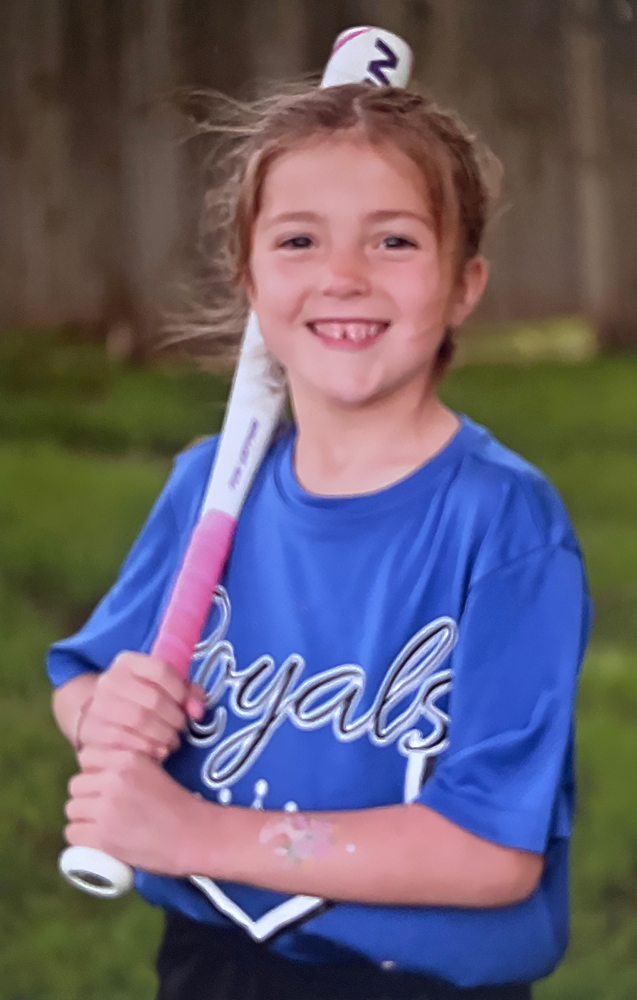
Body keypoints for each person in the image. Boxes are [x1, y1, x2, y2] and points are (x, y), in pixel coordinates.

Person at [47, 83, 592, 1000]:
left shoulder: (503, 527)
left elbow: (493, 854)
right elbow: (87, 683)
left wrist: (190, 834)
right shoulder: (209, 484)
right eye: (299, 240)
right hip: (212, 959)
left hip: (410, 979)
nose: (344, 274)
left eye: (394, 239)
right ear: (249, 281)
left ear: (465, 284)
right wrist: (106, 712)